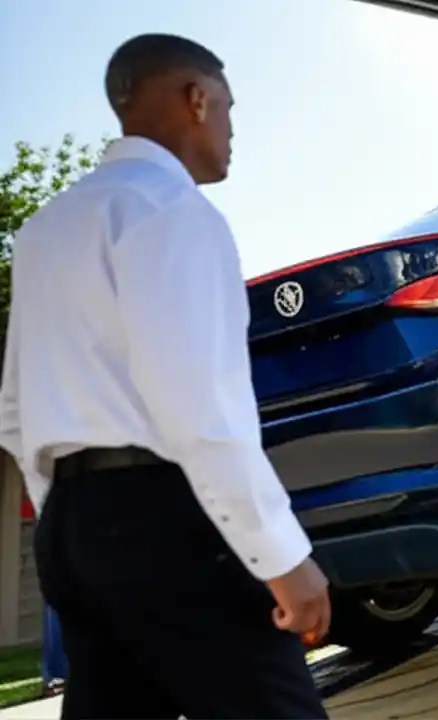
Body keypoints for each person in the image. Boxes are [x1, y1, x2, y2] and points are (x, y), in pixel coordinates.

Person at [0, 33, 331, 718]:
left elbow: (13, 409)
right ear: (196, 99)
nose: (233, 129)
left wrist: (65, 505)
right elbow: (199, 405)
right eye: (230, 109)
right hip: (166, 521)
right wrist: (282, 557)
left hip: (72, 531)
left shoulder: (45, 228)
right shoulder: (171, 211)